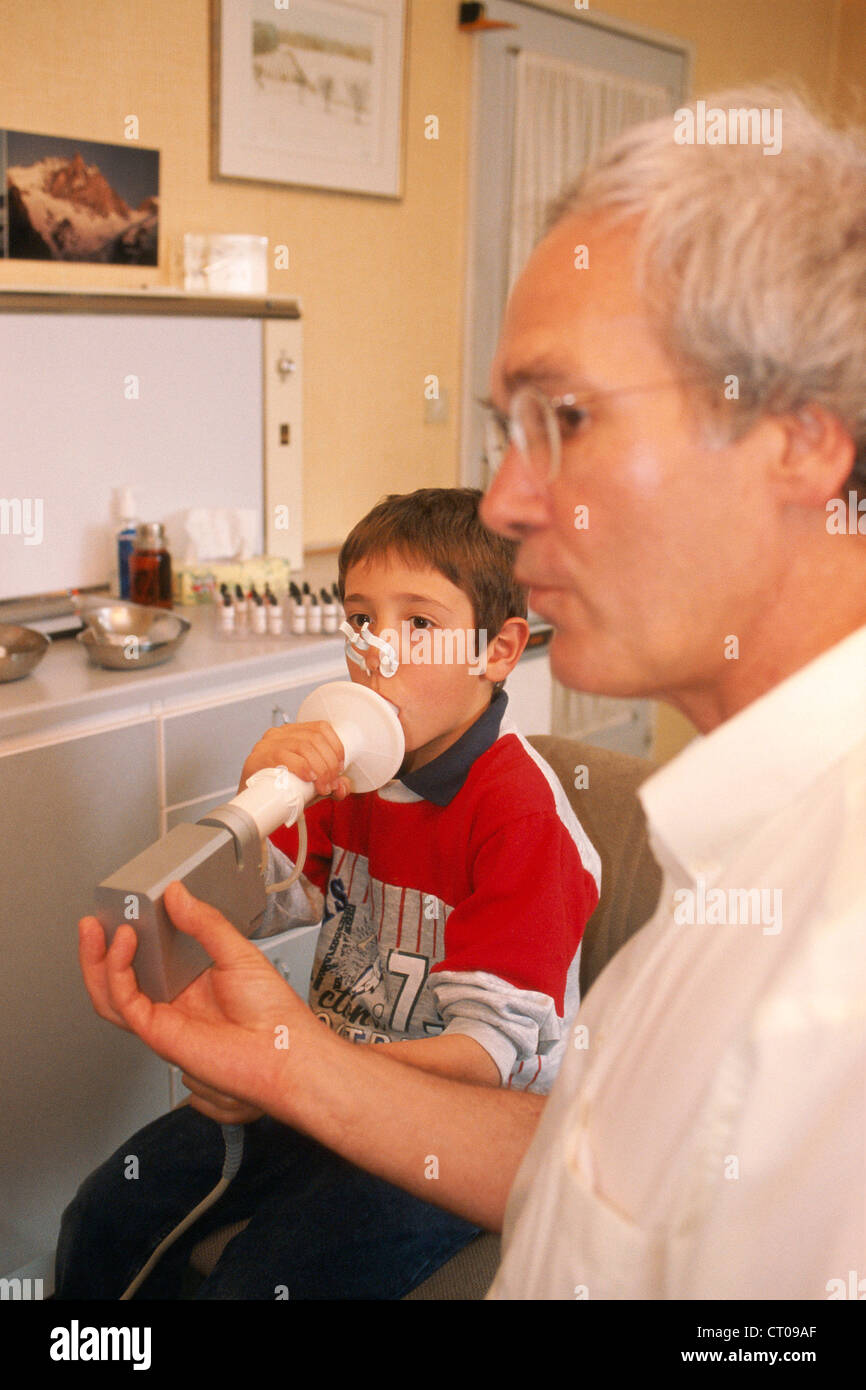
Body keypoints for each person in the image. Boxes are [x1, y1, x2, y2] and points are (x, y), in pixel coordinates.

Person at [75, 85, 865, 1299]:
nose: (502, 500)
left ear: (801, 438)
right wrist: (292, 1058)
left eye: (566, 416)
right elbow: (590, 1178)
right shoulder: (730, 858)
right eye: (505, 427)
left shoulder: (830, 969)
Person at [57, 487, 600, 1299]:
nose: (379, 651)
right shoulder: (357, 780)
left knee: (261, 1281)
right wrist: (262, 792)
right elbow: (263, 902)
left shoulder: (521, 819)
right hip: (319, 1078)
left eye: (418, 623)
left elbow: (489, 1059)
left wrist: (298, 1071)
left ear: (497, 650)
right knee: (103, 1214)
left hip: (451, 1124)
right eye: (361, 619)